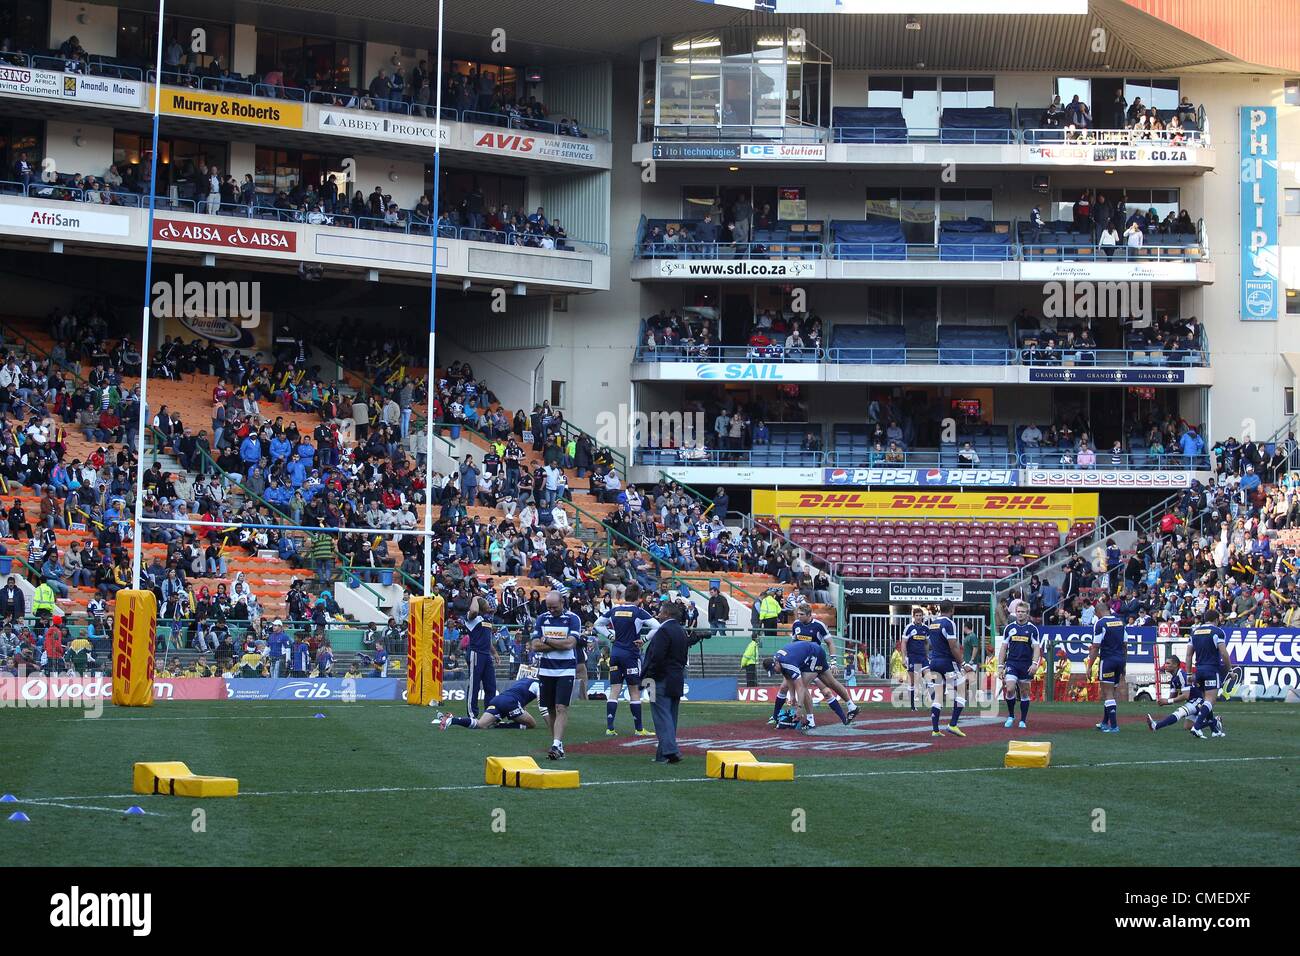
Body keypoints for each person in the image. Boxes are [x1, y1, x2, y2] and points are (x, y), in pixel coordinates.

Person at [592, 583, 655, 737]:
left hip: (615, 654)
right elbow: (657, 626)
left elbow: (597, 624)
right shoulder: (638, 612)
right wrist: (645, 639)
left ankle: (610, 728)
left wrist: (610, 636)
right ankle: (639, 729)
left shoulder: (615, 610)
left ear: (625, 596)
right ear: (639, 598)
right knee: (634, 691)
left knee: (614, 690)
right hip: (630, 655)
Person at [789, 605, 859, 726]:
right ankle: (851, 706)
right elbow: (794, 642)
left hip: (815, 659)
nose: (798, 616)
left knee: (802, 685)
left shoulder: (818, 625)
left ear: (809, 614)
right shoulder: (796, 624)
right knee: (831, 684)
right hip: (804, 662)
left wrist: (833, 662)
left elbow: (830, 643)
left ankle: (810, 720)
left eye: (801, 614)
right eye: (798, 614)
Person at [531, 591, 581, 760]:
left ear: (562, 602)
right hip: (545, 670)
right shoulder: (541, 619)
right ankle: (557, 744)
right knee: (551, 708)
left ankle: (555, 744)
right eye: (549, 607)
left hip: (566, 669)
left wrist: (547, 640)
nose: (551, 610)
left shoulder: (573, 618)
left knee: (561, 707)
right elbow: (535, 646)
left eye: (554, 607)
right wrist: (557, 644)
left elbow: (570, 644)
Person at [641, 600, 691, 763]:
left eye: (661, 612)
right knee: (670, 716)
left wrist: (649, 676)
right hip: (677, 678)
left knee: (661, 716)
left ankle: (670, 750)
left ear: (667, 614)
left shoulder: (664, 631)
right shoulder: (681, 631)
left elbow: (657, 657)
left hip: (658, 679)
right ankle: (662, 754)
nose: (658, 614)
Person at [1145, 653, 1223, 737]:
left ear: (1175, 665)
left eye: (1168, 663)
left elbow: (1185, 695)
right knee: (1188, 726)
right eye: (1165, 663)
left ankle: (1156, 726)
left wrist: (1168, 701)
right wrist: (1163, 701)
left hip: (1198, 700)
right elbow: (1172, 697)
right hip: (1192, 701)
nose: (1165, 665)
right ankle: (1215, 722)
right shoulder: (1173, 679)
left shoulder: (1181, 675)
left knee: (1179, 712)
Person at [1183, 609, 1233, 740]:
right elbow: (1224, 653)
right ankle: (1197, 727)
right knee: (1211, 700)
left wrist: (1188, 673)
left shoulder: (1194, 632)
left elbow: (1188, 655)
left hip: (1198, 670)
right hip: (1211, 670)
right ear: (1216, 620)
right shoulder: (1217, 632)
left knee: (1206, 700)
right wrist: (1230, 670)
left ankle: (1214, 730)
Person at [439, 666, 540, 730]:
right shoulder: (539, 684)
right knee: (531, 724)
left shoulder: (526, 679)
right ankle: (500, 726)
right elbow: (544, 706)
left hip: (498, 699)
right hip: (510, 703)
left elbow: (520, 693)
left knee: (481, 724)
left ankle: (453, 720)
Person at [1083, 599, 1128, 733]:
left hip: (1108, 660)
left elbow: (1096, 646)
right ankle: (1104, 722)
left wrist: (1089, 666)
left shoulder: (1100, 623)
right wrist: (1124, 664)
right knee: (1111, 692)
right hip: (1120, 660)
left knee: (1107, 693)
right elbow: (1125, 645)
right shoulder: (1120, 622)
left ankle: (1114, 726)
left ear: (1098, 612)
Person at [925, 601, 969, 737]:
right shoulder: (949, 623)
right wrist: (963, 663)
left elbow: (929, 644)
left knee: (938, 695)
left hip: (934, 663)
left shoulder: (932, 623)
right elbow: (953, 646)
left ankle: (935, 730)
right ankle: (953, 724)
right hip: (947, 663)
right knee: (962, 691)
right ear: (952, 610)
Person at [997, 600, 1042, 729]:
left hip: (1026, 664)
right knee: (1010, 688)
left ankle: (1023, 720)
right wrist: (1000, 666)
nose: (1020, 614)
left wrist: (1034, 664)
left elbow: (1036, 648)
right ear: (1015, 613)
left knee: (1024, 692)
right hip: (1012, 663)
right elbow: (1003, 648)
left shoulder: (1032, 629)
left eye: (1023, 612)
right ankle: (1011, 716)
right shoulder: (1009, 628)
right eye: (1018, 612)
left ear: (1027, 613)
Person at [898, 605, 929, 711]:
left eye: (920, 615)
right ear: (913, 617)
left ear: (923, 617)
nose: (919, 617)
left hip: (923, 657)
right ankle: (912, 705)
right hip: (912, 657)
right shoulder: (909, 628)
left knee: (929, 677)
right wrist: (903, 658)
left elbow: (927, 643)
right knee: (911, 682)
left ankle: (935, 703)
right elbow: (904, 643)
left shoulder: (926, 628)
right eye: (917, 615)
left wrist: (927, 654)